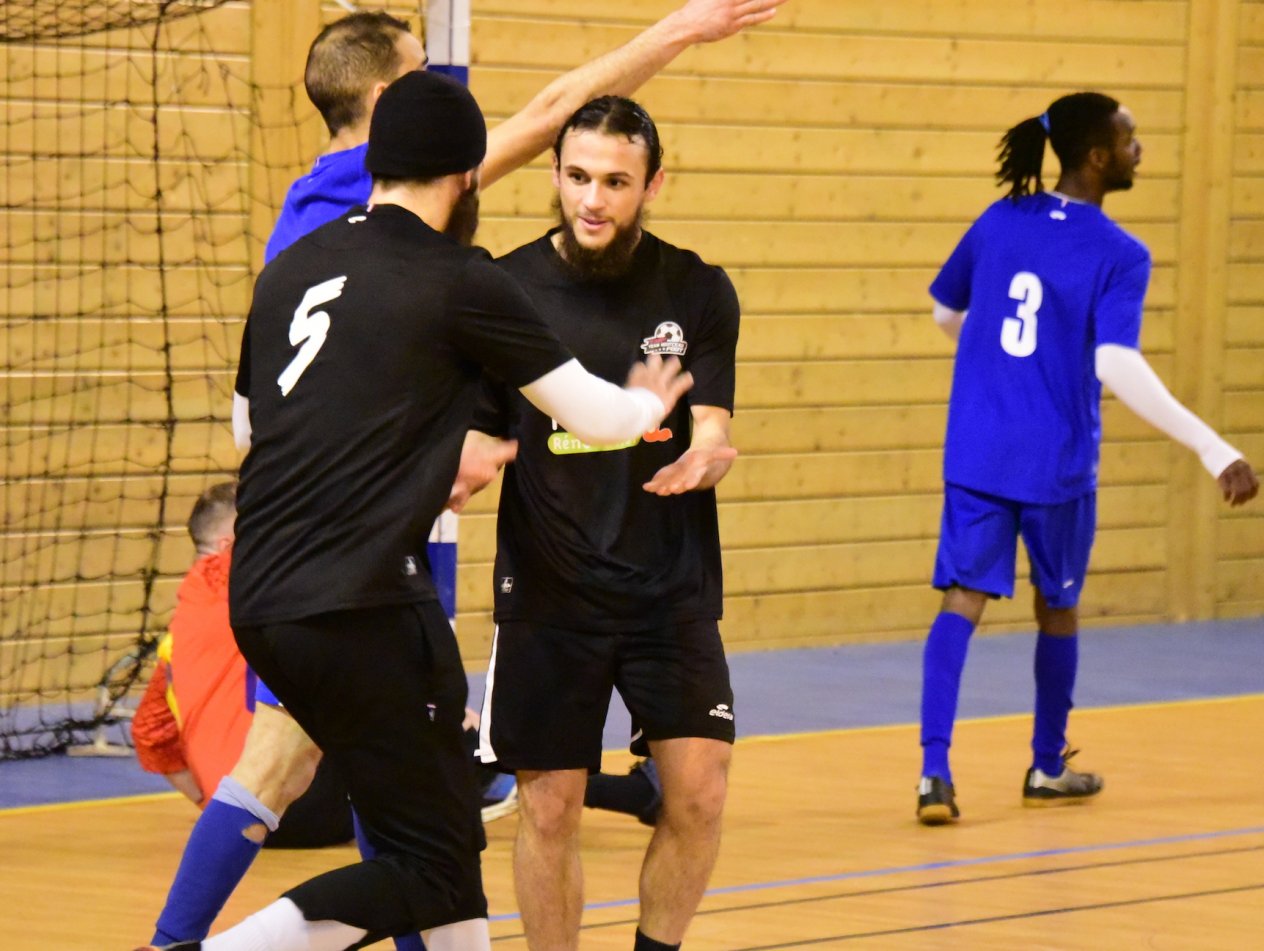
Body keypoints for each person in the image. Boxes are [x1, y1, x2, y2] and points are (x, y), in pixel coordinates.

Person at [145, 3, 784, 946]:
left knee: (353, 798)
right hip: (364, 588)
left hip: (269, 583)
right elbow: (601, 409)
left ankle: (174, 936)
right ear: (455, 162)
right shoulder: (465, 273)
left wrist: (393, 445)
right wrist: (648, 401)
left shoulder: (297, 243)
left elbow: (253, 423)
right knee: (429, 857)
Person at [916, 91, 1261, 826]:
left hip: (977, 447)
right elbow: (1115, 361)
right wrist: (1212, 445)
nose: (1142, 151)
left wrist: (999, 366)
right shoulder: (1119, 252)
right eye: (1132, 140)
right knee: (1059, 605)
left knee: (960, 603)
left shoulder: (1001, 217)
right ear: (1099, 156)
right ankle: (1045, 765)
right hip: (1054, 460)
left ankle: (933, 773)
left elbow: (947, 314)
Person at [471, 96, 740, 951]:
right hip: (551, 589)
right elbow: (480, 433)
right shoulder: (505, 288)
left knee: (698, 791)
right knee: (550, 805)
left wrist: (710, 451)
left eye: (616, 182)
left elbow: (715, 422)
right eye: (578, 177)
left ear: (652, 183)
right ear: (554, 175)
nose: (593, 199)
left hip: (671, 585)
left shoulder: (696, 289)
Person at [131, 482, 352, 849]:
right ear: (229, 544)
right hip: (311, 811)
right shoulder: (252, 580)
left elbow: (148, 732)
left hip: (239, 821)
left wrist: (211, 806)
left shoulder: (179, 630)